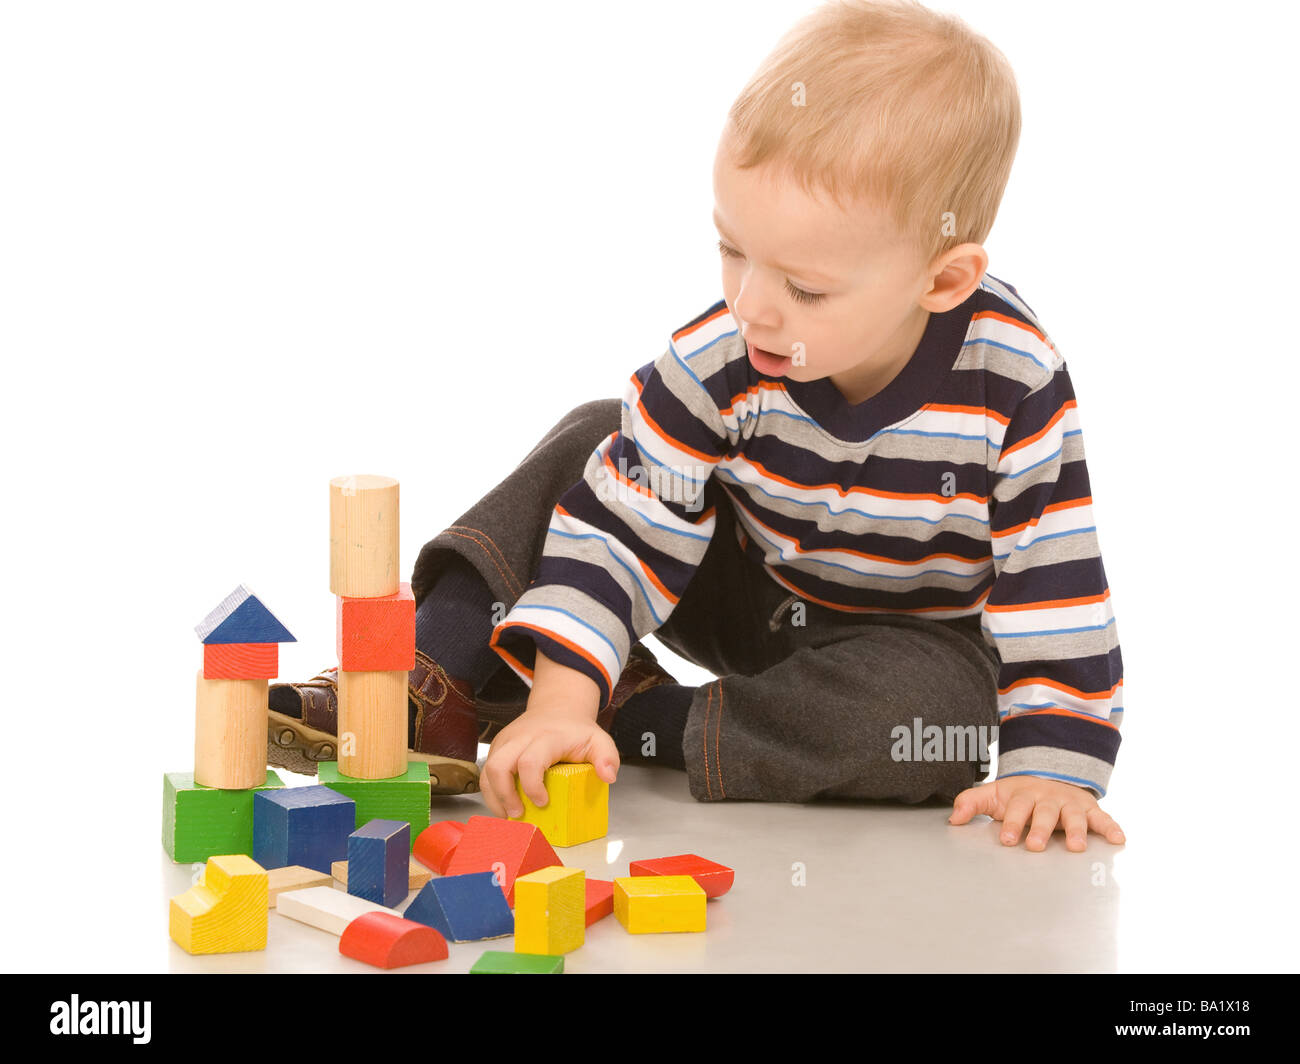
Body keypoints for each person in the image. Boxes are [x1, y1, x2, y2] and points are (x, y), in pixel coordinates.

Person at [271, 0, 1126, 853]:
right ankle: (426, 677)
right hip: (733, 582)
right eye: (732, 250)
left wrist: (1057, 762)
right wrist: (560, 696)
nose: (750, 304)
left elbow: (1052, 578)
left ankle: (644, 719)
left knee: (941, 725)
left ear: (942, 281)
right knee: (596, 438)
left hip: (904, 642)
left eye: (806, 288)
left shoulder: (1013, 380)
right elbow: (619, 531)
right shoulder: (724, 353)